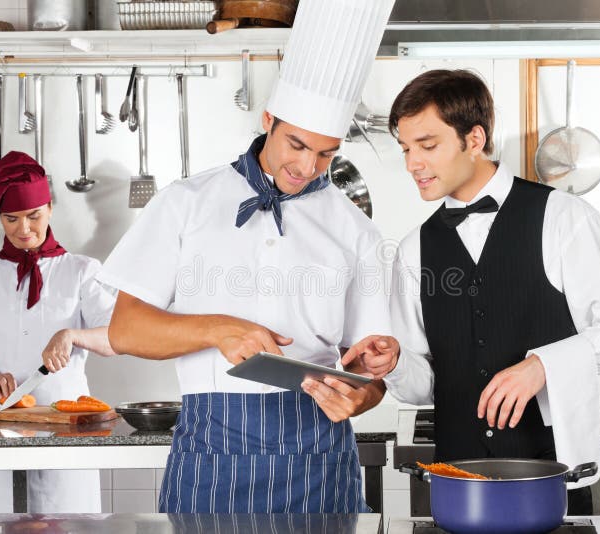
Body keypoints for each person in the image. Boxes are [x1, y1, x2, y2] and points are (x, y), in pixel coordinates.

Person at [96, 0, 397, 514]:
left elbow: (370, 376)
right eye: (296, 144)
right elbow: (125, 330)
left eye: (326, 153)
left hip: (318, 461)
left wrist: (366, 389)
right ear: (268, 120)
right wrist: (218, 329)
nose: (308, 166)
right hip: (212, 455)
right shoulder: (185, 203)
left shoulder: (357, 230)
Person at [370, 69, 600, 514]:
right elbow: (424, 387)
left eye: (427, 145)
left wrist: (542, 366)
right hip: (460, 487)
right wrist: (397, 361)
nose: (412, 164)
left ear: (474, 139)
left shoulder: (565, 218)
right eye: (405, 149)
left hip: (553, 480)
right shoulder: (412, 250)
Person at [0, 151, 117, 513]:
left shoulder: (82, 271)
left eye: (33, 216)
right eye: (11, 219)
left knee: (68, 521)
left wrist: (73, 335)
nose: (23, 229)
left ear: (49, 208)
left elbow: (116, 337)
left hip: (66, 422)